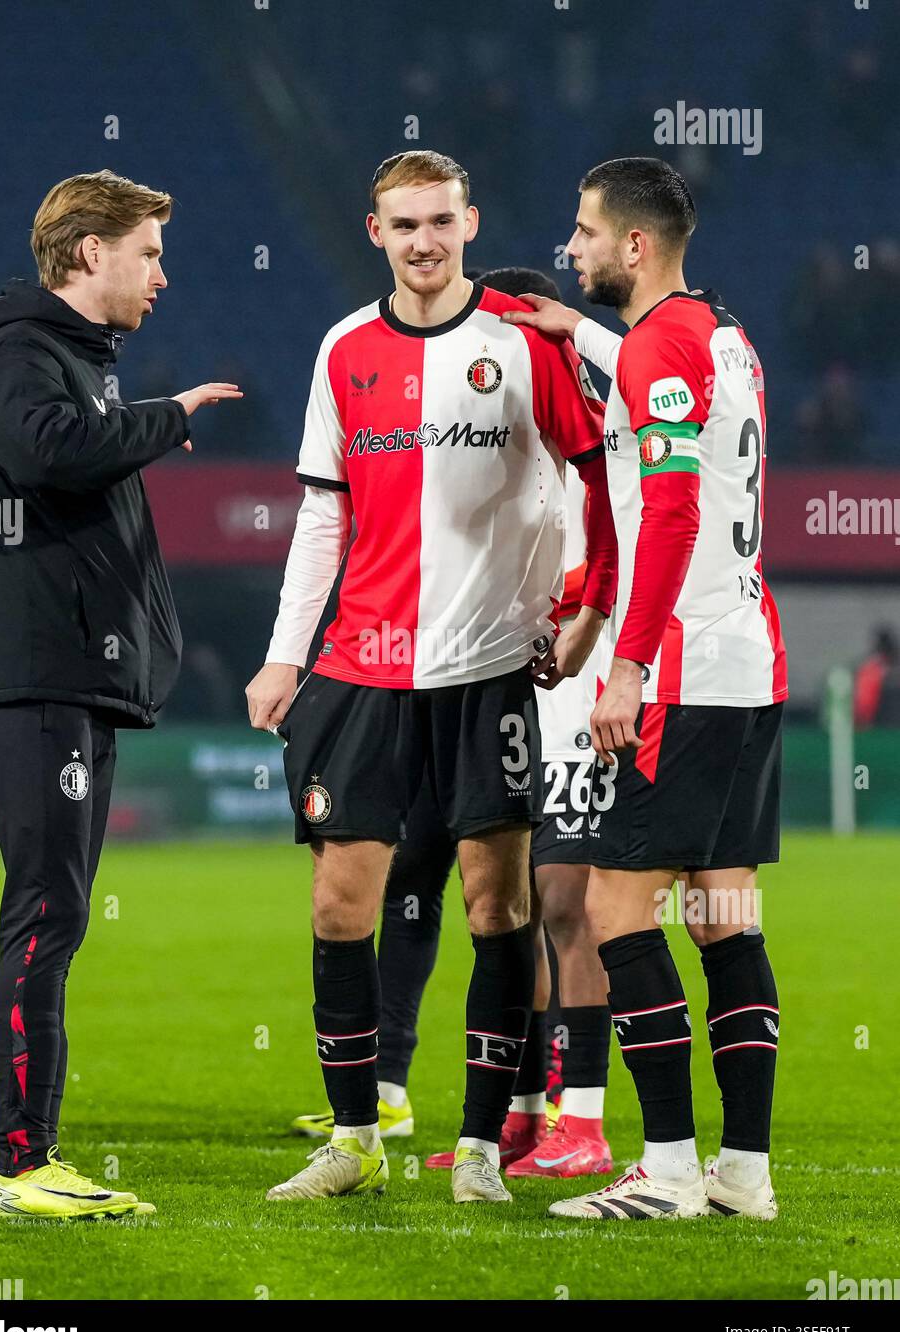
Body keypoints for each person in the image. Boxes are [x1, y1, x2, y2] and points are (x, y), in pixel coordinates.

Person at [247, 150, 615, 1204]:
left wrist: (582, 611)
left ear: (469, 220)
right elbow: (323, 512)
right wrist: (285, 653)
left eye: (441, 222)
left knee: (496, 907)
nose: (423, 241)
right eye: (403, 224)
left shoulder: (521, 340)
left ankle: (483, 1150)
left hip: (490, 670)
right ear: (374, 231)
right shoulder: (342, 349)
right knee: (335, 905)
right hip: (358, 669)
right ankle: (355, 1138)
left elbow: (593, 481)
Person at [0, 169, 242, 1220]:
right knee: (43, 909)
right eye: (149, 252)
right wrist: (168, 416)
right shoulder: (21, 353)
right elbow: (49, 451)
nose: (162, 274)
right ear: (89, 253)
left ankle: (35, 1157)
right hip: (34, 673)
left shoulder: (77, 359)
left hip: (69, 673)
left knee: (57, 911)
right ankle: (22, 1167)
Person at [505, 156, 787, 1220]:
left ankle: (664, 1169)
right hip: (747, 661)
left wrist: (624, 663)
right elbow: (659, 410)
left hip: (682, 676)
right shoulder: (717, 336)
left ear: (633, 244)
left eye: (582, 232)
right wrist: (575, 332)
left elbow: (666, 512)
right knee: (722, 915)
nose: (569, 248)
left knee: (618, 911)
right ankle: (741, 1176)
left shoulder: (661, 350)